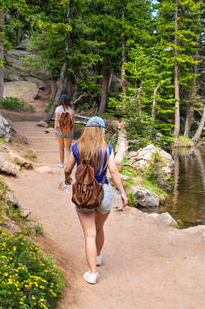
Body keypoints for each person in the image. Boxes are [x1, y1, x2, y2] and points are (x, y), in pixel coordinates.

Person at [63, 116, 128, 285]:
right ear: (102, 131)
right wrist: (122, 192)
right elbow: (113, 171)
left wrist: (67, 178)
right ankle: (98, 257)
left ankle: (92, 273)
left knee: (89, 234)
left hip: (84, 194)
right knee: (99, 228)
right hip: (103, 193)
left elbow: (68, 168)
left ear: (87, 129)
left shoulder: (77, 146)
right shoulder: (107, 149)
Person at [54, 94, 75, 168]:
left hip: (60, 130)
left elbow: (57, 120)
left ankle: (62, 163)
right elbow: (72, 121)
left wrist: (55, 130)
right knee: (68, 148)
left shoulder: (58, 108)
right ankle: (70, 165)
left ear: (60, 100)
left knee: (61, 147)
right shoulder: (71, 109)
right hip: (69, 130)